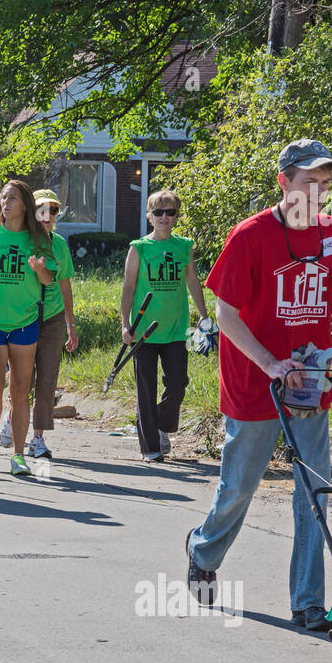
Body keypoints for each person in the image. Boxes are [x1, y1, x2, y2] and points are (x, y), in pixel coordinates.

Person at [184, 139, 332, 631]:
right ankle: (203, 549)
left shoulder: (329, 232)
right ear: (284, 181)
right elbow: (224, 315)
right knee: (240, 487)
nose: (319, 191)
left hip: (310, 379)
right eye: (309, 180)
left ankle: (307, 602)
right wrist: (269, 363)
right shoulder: (250, 235)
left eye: (325, 182)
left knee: (314, 492)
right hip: (255, 381)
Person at [0, 180, 55, 477]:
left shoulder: (38, 240)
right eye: (3, 198)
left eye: (12, 198)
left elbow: (48, 280)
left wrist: (39, 269)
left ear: (25, 204)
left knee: (20, 391)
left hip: (24, 322)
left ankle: (19, 455)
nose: (5, 203)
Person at [122, 189, 211, 461]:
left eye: (169, 212)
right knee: (145, 389)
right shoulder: (139, 248)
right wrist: (125, 324)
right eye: (158, 212)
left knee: (178, 384)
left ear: (176, 216)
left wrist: (204, 316)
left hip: (177, 328)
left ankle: (161, 424)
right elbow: (128, 288)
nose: (164, 217)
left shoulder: (184, 245)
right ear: (149, 216)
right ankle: (150, 447)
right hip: (144, 330)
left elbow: (193, 282)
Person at [0, 188, 76, 460]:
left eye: (53, 210)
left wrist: (71, 324)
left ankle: (38, 438)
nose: (47, 215)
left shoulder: (60, 245)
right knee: (22, 378)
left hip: (52, 317)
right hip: (26, 314)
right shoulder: (22, 240)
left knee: (47, 379)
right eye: (42, 209)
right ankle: (12, 418)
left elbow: (65, 285)